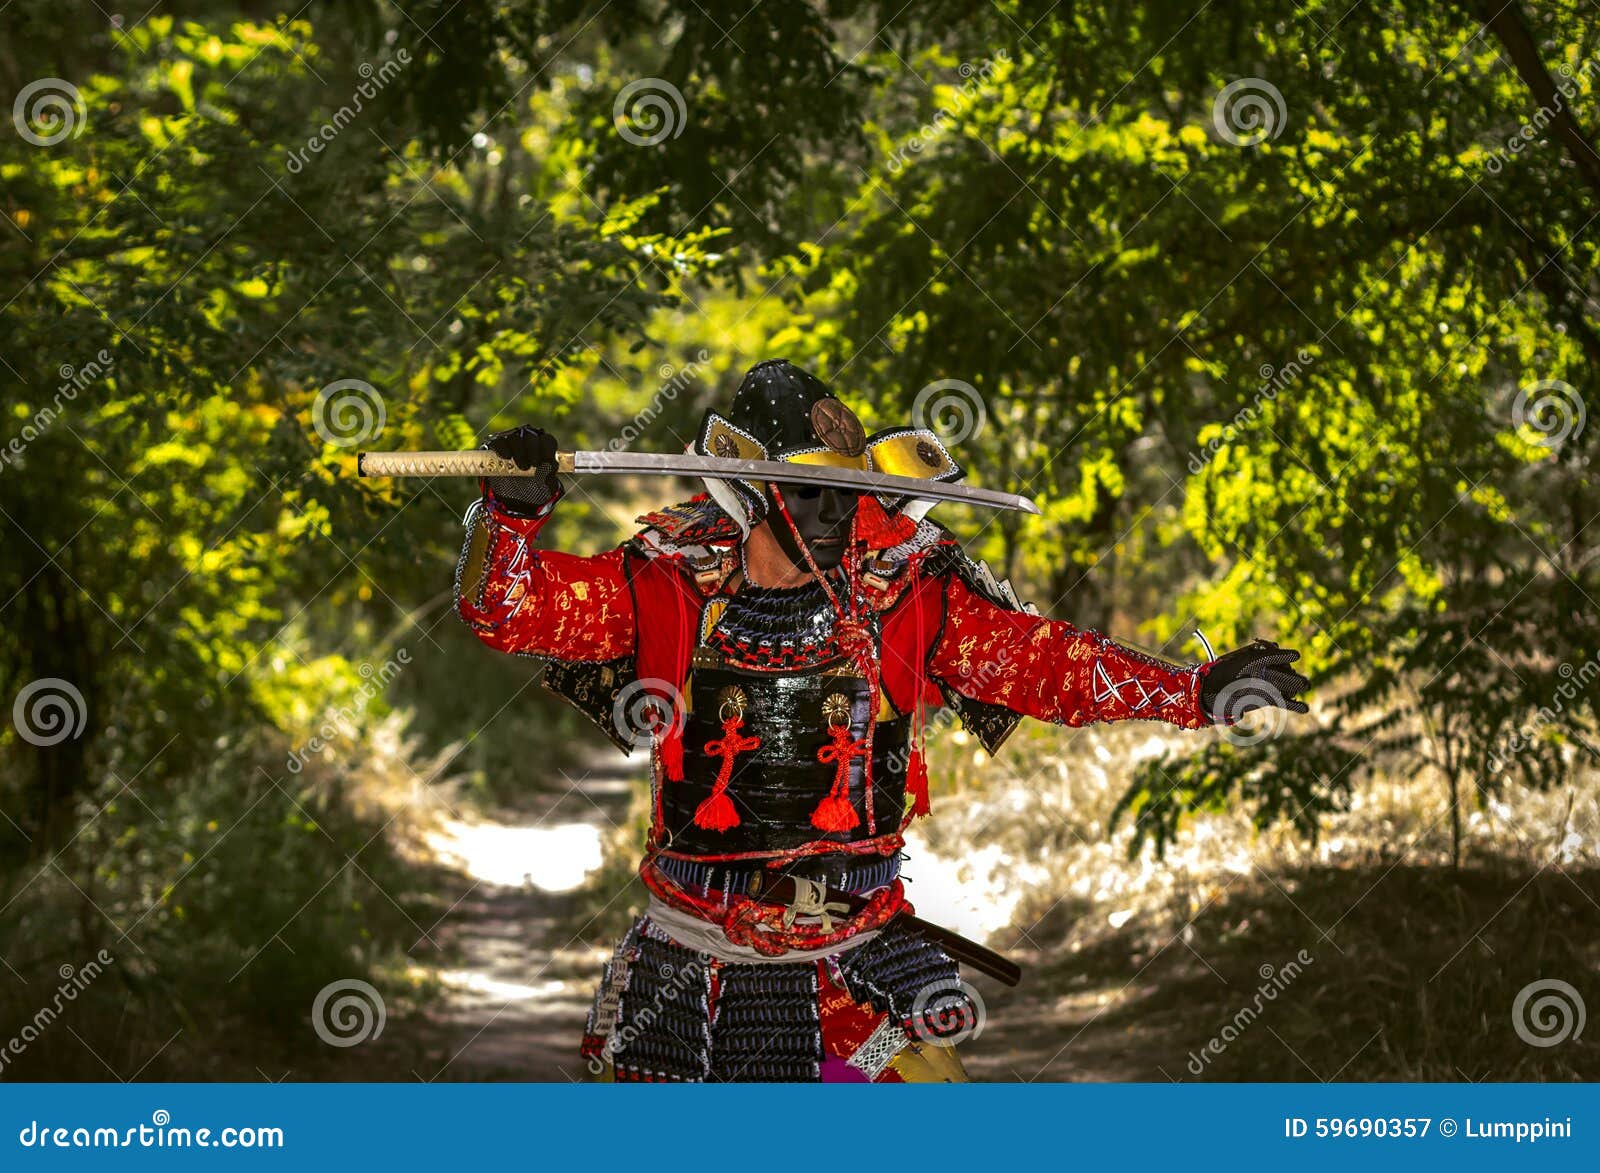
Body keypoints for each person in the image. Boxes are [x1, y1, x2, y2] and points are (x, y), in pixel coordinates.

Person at [453, 358, 1308, 1082]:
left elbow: (1046, 662)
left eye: (846, 490)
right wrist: (510, 514)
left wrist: (1193, 691)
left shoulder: (904, 587)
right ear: (752, 488)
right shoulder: (668, 578)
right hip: (688, 969)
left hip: (856, 967)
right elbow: (509, 611)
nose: (833, 514)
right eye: (809, 491)